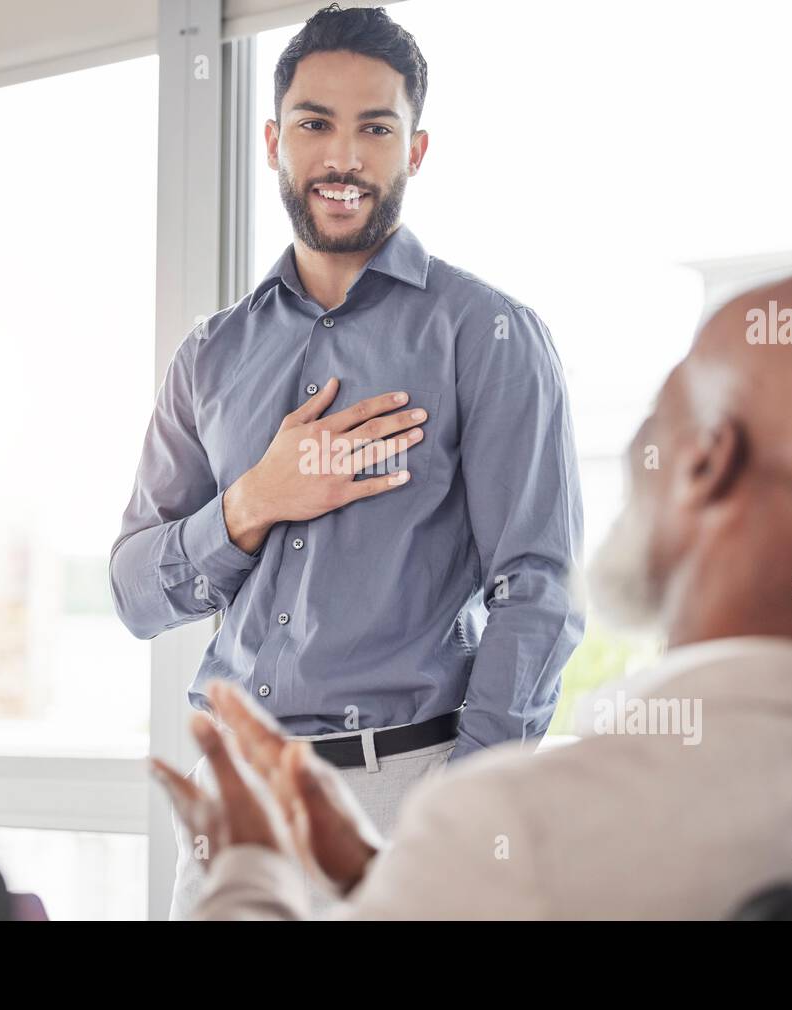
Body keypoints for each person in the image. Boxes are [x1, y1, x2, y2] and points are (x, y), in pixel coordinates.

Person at [155, 271, 792, 919]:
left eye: (656, 419)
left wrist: (253, 867)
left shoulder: (524, 829)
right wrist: (374, 873)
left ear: (706, 463)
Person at [111, 4, 582, 916]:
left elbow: (541, 592)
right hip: (233, 804)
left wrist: (461, 807)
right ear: (273, 139)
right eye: (314, 123)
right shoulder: (209, 356)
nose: (342, 156)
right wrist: (252, 501)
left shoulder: (487, 336)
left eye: (376, 127)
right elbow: (133, 593)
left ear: (417, 149)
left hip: (407, 791)